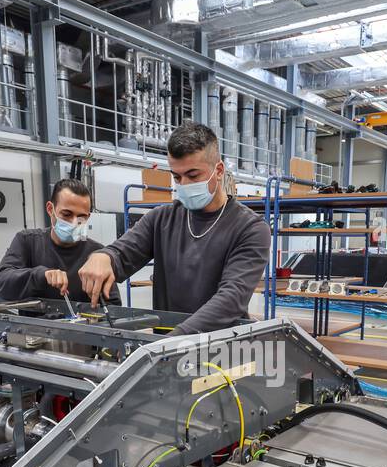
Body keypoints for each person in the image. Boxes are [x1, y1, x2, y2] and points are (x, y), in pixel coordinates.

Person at [77, 122, 269, 335]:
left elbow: (231, 299)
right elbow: (123, 252)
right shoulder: (161, 219)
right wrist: (103, 256)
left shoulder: (250, 228)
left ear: (219, 171)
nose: (184, 184)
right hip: (168, 350)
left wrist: (171, 340)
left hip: (221, 350)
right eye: (177, 177)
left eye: (193, 175)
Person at [0, 178, 120, 304]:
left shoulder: (96, 254)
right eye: (66, 214)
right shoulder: (28, 241)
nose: (74, 222)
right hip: (34, 325)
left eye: (81, 217)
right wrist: (41, 275)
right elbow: (1, 281)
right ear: (50, 209)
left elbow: (115, 306)